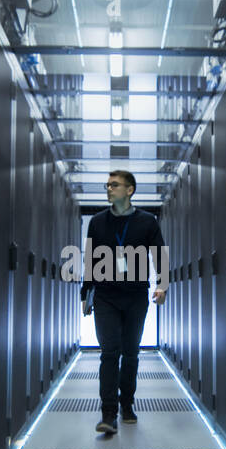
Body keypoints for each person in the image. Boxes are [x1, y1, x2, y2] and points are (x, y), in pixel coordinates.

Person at [80, 170, 167, 433]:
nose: (109, 188)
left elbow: (159, 254)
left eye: (114, 185)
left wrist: (161, 285)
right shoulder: (97, 221)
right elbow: (90, 259)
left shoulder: (147, 222)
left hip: (136, 296)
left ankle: (127, 403)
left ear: (130, 190)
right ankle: (108, 414)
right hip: (106, 295)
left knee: (130, 353)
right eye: (107, 185)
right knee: (109, 353)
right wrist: (86, 294)